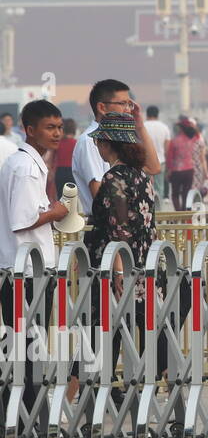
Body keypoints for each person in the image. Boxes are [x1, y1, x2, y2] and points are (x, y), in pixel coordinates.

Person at [82, 112, 157, 403]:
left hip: (117, 267)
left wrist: (117, 274)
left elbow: (118, 229)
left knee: (106, 330)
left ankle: (100, 392)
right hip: (142, 261)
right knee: (132, 330)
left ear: (107, 144)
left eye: (100, 141)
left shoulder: (113, 177)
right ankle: (128, 387)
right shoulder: (142, 176)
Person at [0, 100, 67, 420]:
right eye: (49, 127)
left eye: (59, 127)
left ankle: (26, 412)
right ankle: (26, 413)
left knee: (28, 342)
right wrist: (56, 212)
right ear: (30, 130)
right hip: (27, 272)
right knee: (30, 343)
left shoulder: (25, 163)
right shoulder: (26, 167)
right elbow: (22, 219)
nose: (56, 133)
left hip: (25, 268)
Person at [72, 79, 160, 204]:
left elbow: (154, 168)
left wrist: (140, 126)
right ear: (102, 107)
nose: (128, 109)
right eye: (123, 104)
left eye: (129, 104)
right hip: (112, 219)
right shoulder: (90, 140)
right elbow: (99, 195)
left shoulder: (122, 138)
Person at [166, 119, 196, 210]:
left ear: (180, 128)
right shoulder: (192, 140)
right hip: (189, 170)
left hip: (177, 171)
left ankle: (178, 213)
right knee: (186, 193)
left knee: (175, 194)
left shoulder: (174, 141)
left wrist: (168, 171)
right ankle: (184, 214)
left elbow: (169, 158)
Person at [143, 105, 170, 202]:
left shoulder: (143, 127)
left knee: (145, 187)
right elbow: (167, 148)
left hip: (145, 162)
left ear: (147, 114)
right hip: (161, 161)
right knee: (160, 187)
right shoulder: (164, 128)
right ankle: (159, 211)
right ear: (158, 114)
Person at [52, 117, 77, 199]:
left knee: (61, 197)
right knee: (73, 197)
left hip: (60, 172)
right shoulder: (76, 143)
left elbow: (51, 159)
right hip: (72, 172)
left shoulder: (57, 143)